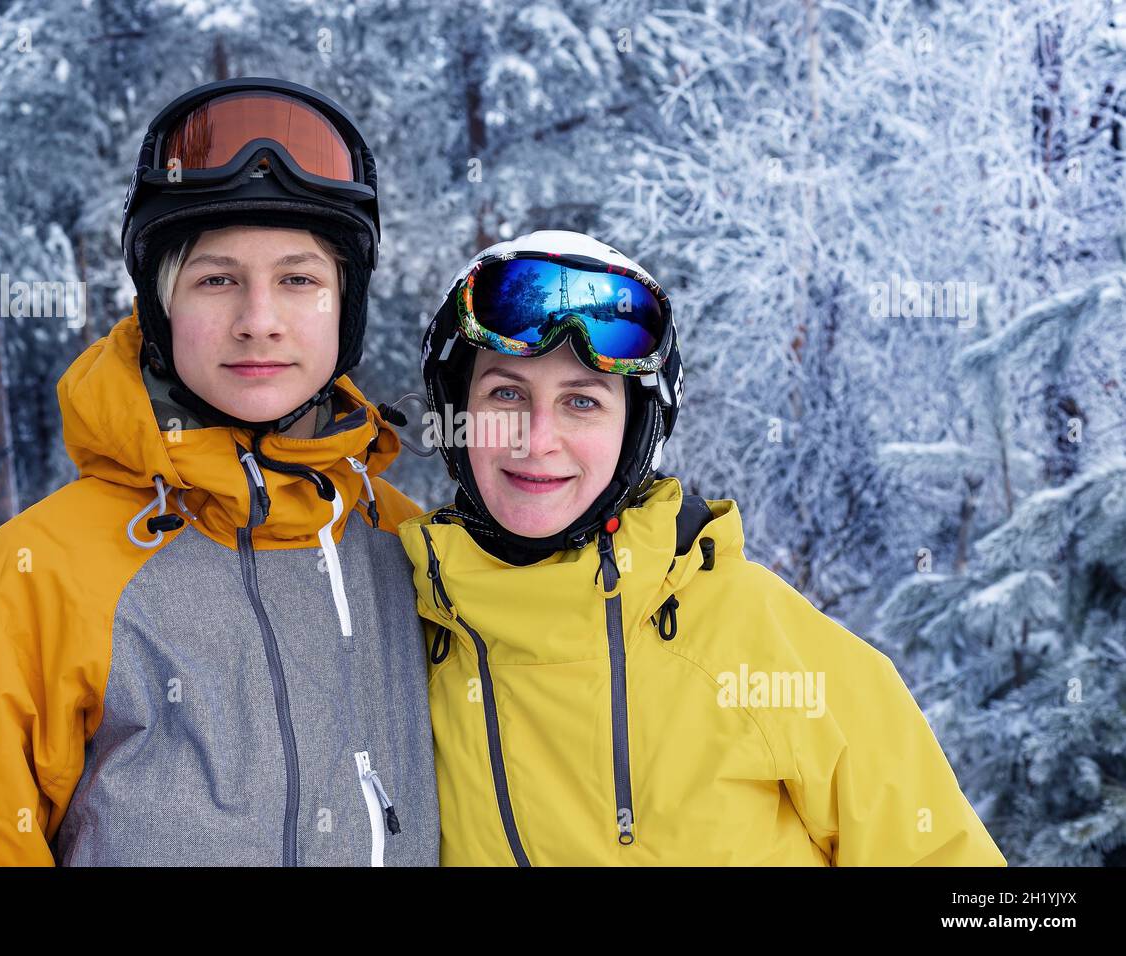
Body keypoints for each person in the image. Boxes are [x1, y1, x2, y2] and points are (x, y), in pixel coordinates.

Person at [0, 78, 439, 866]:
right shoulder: (25, 583)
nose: (258, 318)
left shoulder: (412, 550)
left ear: (346, 307)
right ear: (159, 308)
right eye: (216, 279)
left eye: (299, 279)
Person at [397, 229, 1007, 866]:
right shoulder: (405, 631)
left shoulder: (754, 641)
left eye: (581, 401)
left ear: (637, 432)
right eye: (506, 395)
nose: (538, 438)